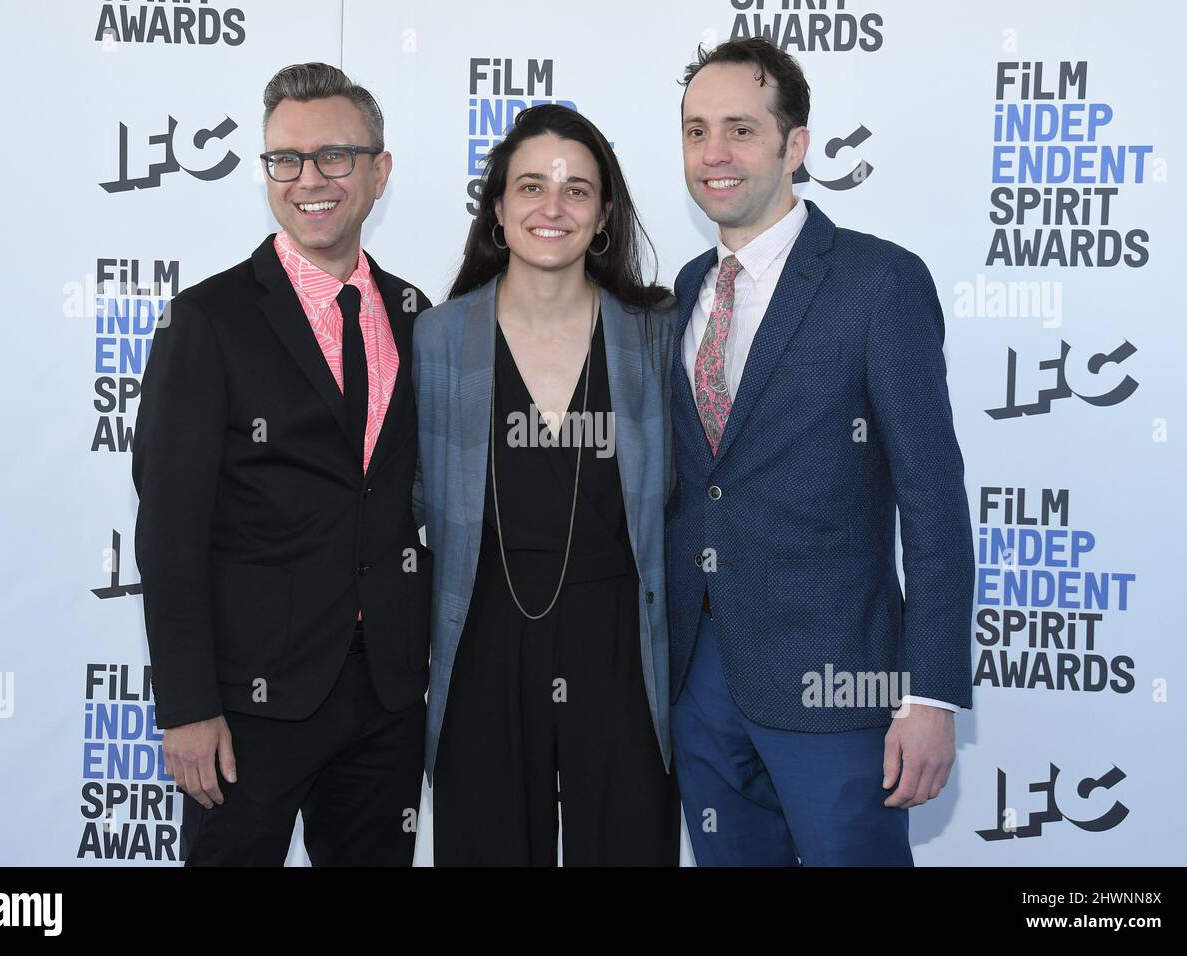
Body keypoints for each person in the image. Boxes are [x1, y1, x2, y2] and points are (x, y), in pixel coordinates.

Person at [667, 38, 976, 866]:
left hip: (841, 688)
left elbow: (934, 501)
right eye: (696, 132)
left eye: (739, 129)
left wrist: (933, 693)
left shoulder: (879, 283)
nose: (714, 154)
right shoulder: (681, 293)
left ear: (794, 147)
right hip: (698, 683)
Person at [132, 62, 433, 866]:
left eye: (334, 156)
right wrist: (188, 708)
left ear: (379, 171)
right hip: (247, 705)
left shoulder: (416, 317)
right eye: (285, 159)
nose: (309, 180)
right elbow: (167, 530)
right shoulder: (207, 320)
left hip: (387, 695)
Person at [413, 104, 679, 865]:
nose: (551, 208)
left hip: (624, 653)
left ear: (603, 215)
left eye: (577, 191)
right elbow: (406, 507)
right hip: (481, 651)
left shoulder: (656, 334)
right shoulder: (436, 339)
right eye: (530, 187)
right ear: (497, 208)